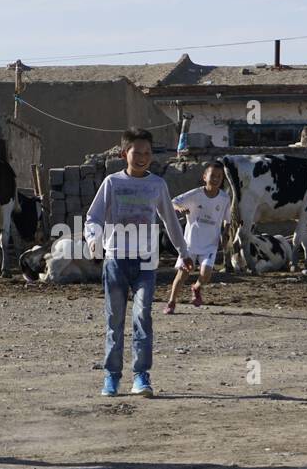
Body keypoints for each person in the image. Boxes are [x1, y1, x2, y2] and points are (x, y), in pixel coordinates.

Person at [84, 129, 194, 397]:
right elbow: (93, 217)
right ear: (125, 154)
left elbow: (170, 220)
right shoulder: (112, 183)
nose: (143, 157)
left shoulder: (157, 185)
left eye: (147, 152)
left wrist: (184, 251)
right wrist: (93, 238)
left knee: (142, 316)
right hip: (116, 260)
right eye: (137, 152)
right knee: (115, 320)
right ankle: (112, 377)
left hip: (146, 262)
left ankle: (141, 377)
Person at [165, 161, 231, 314]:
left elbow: (228, 219)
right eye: (212, 175)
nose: (215, 179)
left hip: (210, 244)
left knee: (206, 274)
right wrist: (180, 208)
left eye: (219, 176)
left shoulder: (224, 198)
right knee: (183, 274)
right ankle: (171, 302)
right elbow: (173, 202)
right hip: (190, 243)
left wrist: (226, 233)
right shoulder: (195, 194)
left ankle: (196, 287)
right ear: (204, 177)